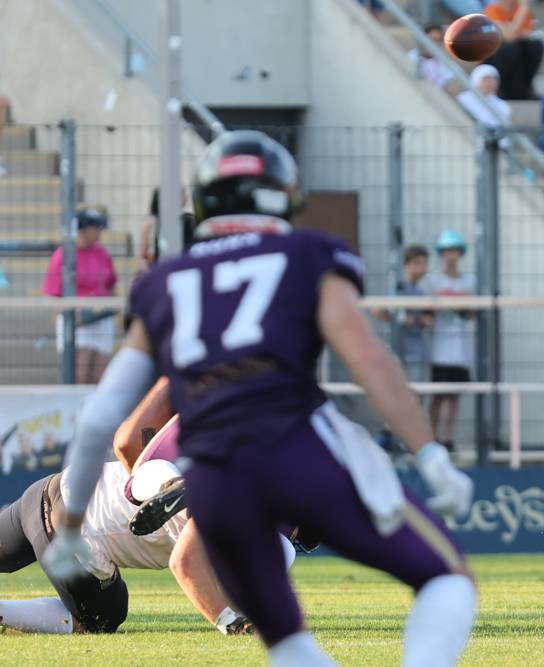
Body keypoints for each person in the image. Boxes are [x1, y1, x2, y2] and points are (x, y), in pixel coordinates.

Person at [43, 130, 476, 666]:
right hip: (301, 450)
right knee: (448, 578)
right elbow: (368, 359)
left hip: (216, 478)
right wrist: (431, 454)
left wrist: (69, 525)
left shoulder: (167, 280)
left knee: (289, 644)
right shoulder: (309, 253)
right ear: (281, 194)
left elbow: (103, 418)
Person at [0, 416, 273, 635]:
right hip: (73, 538)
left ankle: (167, 485)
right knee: (106, 617)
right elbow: (184, 563)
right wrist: (228, 620)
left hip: (52, 490)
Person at [41, 207, 118, 384]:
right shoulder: (63, 255)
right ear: (83, 229)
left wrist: (108, 308)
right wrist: (73, 315)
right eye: (96, 228)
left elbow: (111, 284)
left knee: (101, 376)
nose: (99, 232)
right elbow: (50, 295)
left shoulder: (102, 253)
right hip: (76, 321)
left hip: (100, 319)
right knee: (80, 375)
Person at [422, 230, 477, 452]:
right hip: (440, 346)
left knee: (454, 395)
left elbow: (472, 311)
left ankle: (448, 437)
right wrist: (458, 298)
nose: (450, 256)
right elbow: (429, 309)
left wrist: (450, 298)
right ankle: (432, 436)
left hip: (460, 347)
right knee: (438, 394)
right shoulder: (432, 280)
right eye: (446, 251)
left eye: (454, 251)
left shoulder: (470, 280)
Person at [375, 245, 433, 381]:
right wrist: (404, 319)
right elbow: (378, 310)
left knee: (417, 394)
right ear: (406, 265)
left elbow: (428, 320)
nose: (422, 267)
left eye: (424, 263)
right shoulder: (400, 287)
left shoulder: (420, 290)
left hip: (417, 350)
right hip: (400, 349)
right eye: (417, 262)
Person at [484, 0, 544, 100]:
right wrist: (524, 7)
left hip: (516, 52)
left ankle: (524, 90)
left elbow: (529, 33)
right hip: (494, 57)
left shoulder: (519, 10)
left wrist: (514, 30)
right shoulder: (492, 10)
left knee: (535, 46)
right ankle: (501, 90)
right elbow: (508, 36)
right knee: (511, 48)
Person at [457, 65, 512, 137]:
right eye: (486, 79)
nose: (489, 83)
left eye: (493, 79)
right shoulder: (463, 99)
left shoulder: (503, 106)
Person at [408, 23, 459, 96]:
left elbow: (451, 87)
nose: (435, 44)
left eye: (438, 40)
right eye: (432, 39)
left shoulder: (444, 61)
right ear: (421, 39)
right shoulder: (411, 58)